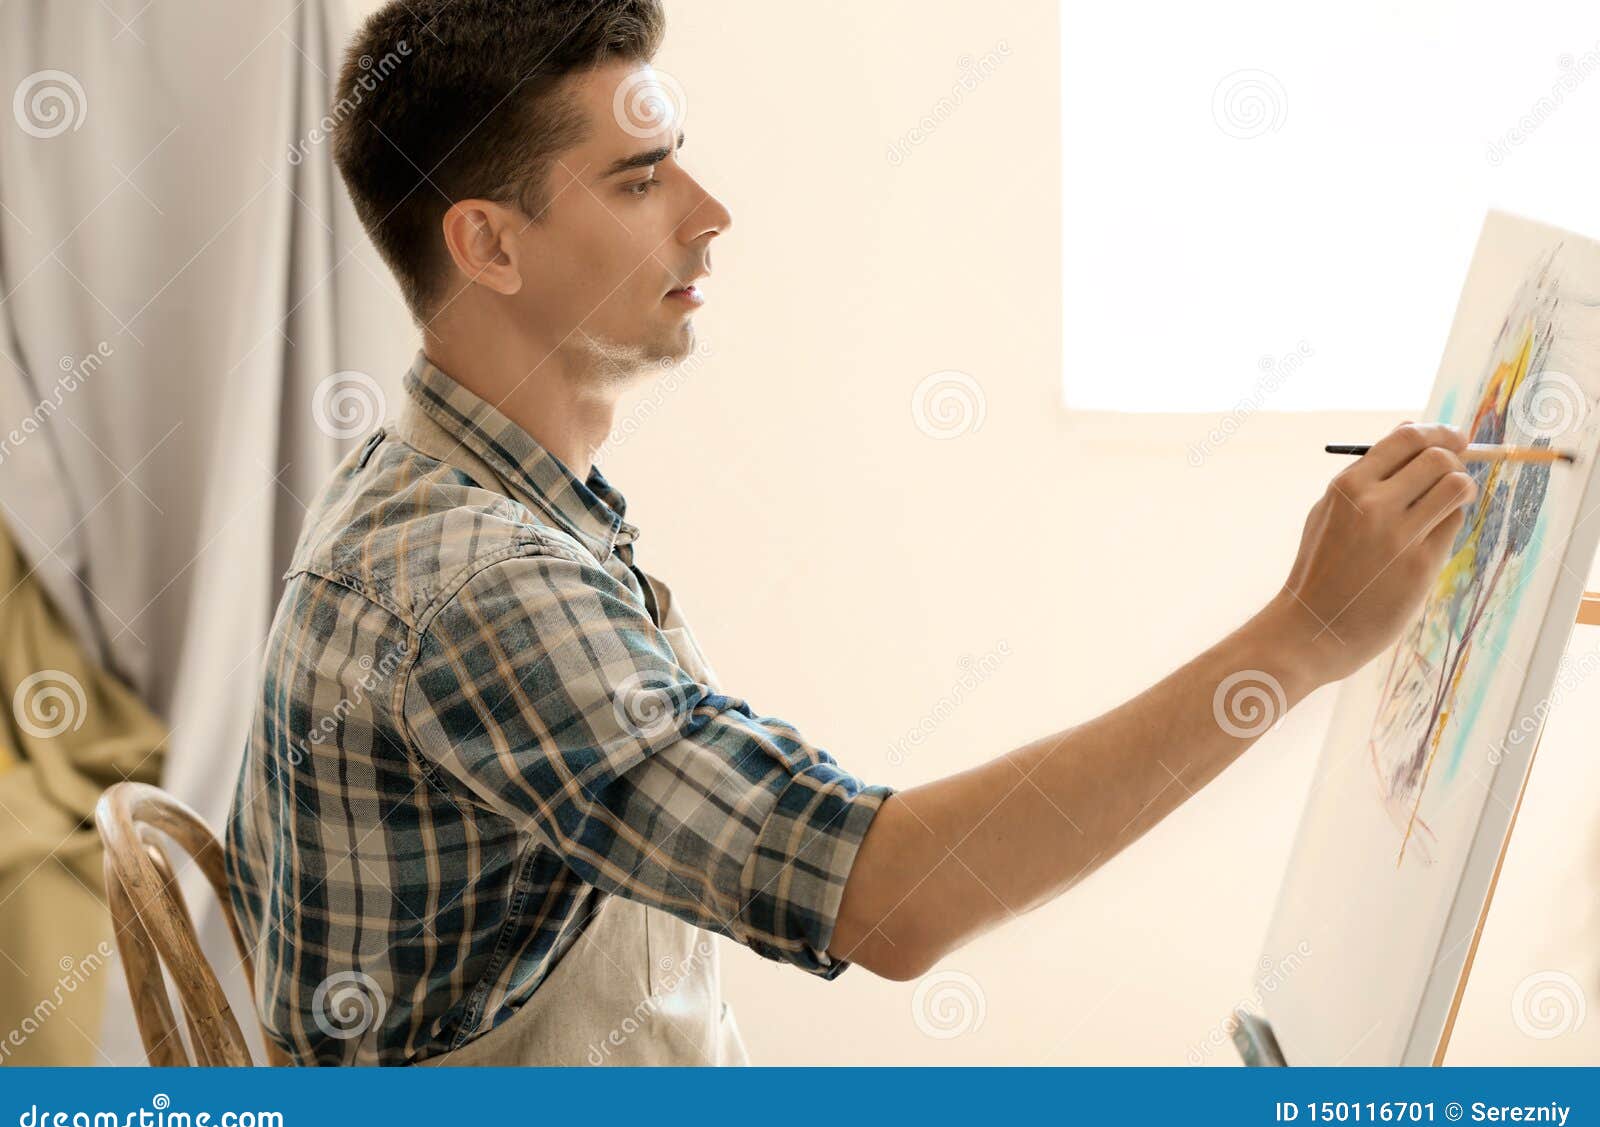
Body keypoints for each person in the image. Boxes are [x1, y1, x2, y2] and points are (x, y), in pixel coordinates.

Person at [222, 0, 1479, 1066]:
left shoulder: (439, 492)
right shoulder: (478, 587)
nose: (710, 214)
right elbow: (885, 901)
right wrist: (1302, 637)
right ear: (488, 241)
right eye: (640, 178)